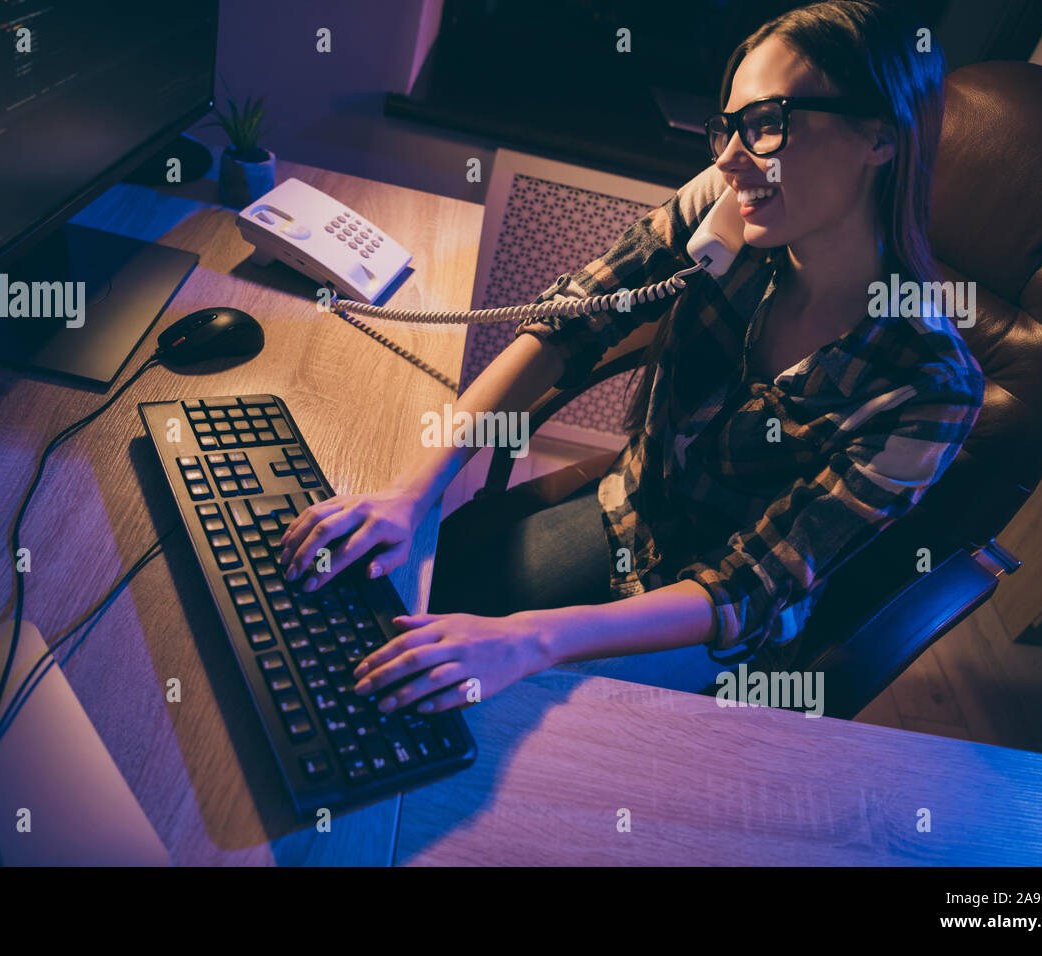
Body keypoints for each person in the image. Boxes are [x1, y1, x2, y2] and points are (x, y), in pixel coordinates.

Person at [278, 0, 985, 715]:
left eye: (767, 125)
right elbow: (567, 326)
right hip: (629, 513)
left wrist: (529, 641)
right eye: (728, 126)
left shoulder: (930, 389)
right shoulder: (727, 209)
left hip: (708, 624)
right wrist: (412, 489)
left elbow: (746, 585)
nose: (728, 159)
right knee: (398, 603)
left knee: (479, 719)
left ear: (881, 137)